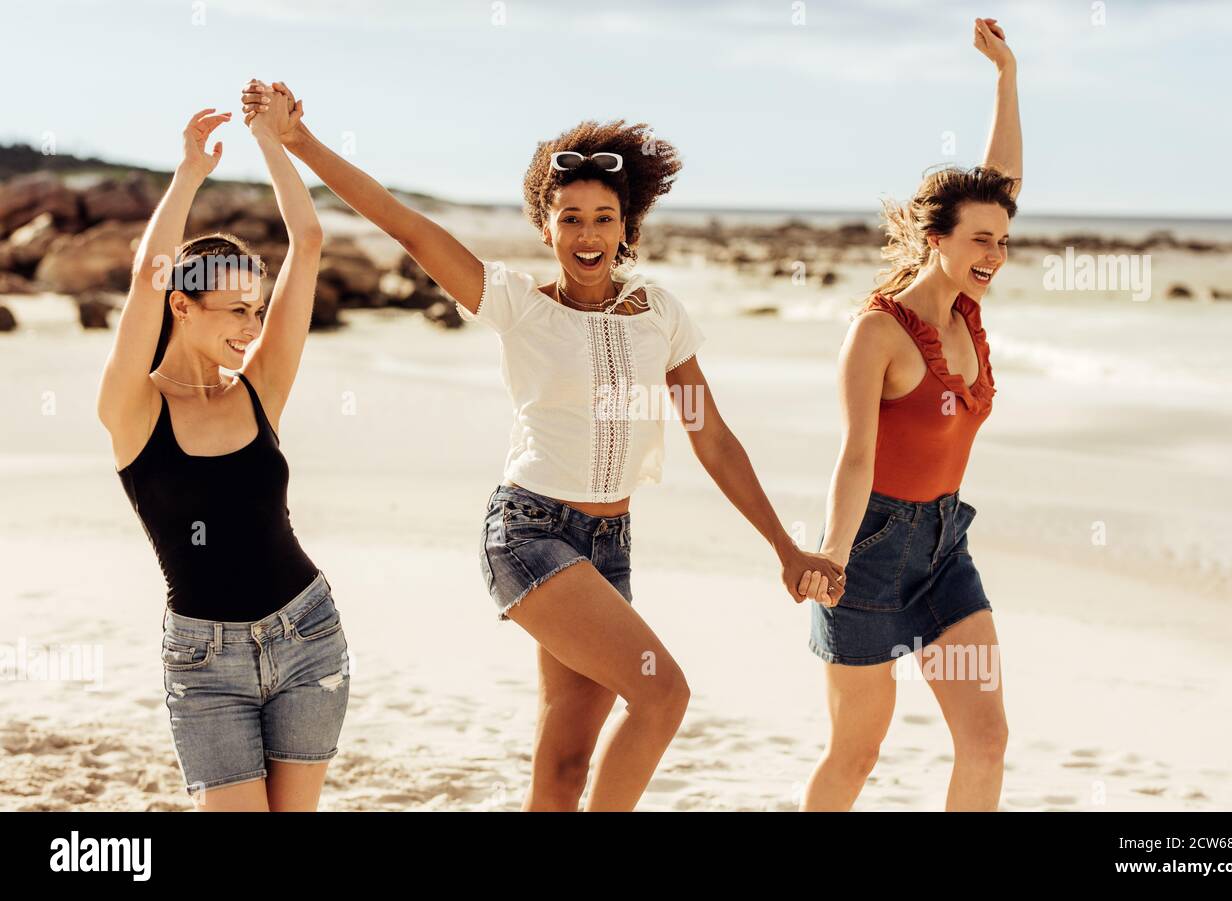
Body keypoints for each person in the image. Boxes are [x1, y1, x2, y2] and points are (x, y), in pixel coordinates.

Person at [239, 80, 845, 811]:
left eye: (603, 218)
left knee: (564, 764)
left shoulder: (660, 314)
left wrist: (785, 545)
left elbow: (711, 436)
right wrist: (300, 141)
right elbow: (407, 226)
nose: (587, 235)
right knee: (663, 693)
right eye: (570, 219)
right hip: (529, 534)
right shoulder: (518, 304)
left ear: (627, 228)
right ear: (547, 226)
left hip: (608, 545)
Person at [96, 93, 346, 811]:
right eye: (235, 310)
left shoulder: (261, 386)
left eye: (256, 309)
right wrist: (187, 176)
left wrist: (275, 139)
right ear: (182, 306)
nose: (251, 325)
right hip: (204, 664)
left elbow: (308, 238)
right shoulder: (134, 410)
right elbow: (152, 270)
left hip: (307, 633)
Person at [798, 17, 1021, 811]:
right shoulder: (879, 333)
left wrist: (1006, 78)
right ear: (936, 239)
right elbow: (856, 454)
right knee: (856, 755)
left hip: (944, 546)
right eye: (979, 241)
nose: (993, 255)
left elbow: (999, 185)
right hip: (870, 554)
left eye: (1002, 241)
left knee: (987, 739)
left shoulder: (969, 308)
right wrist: (829, 552)